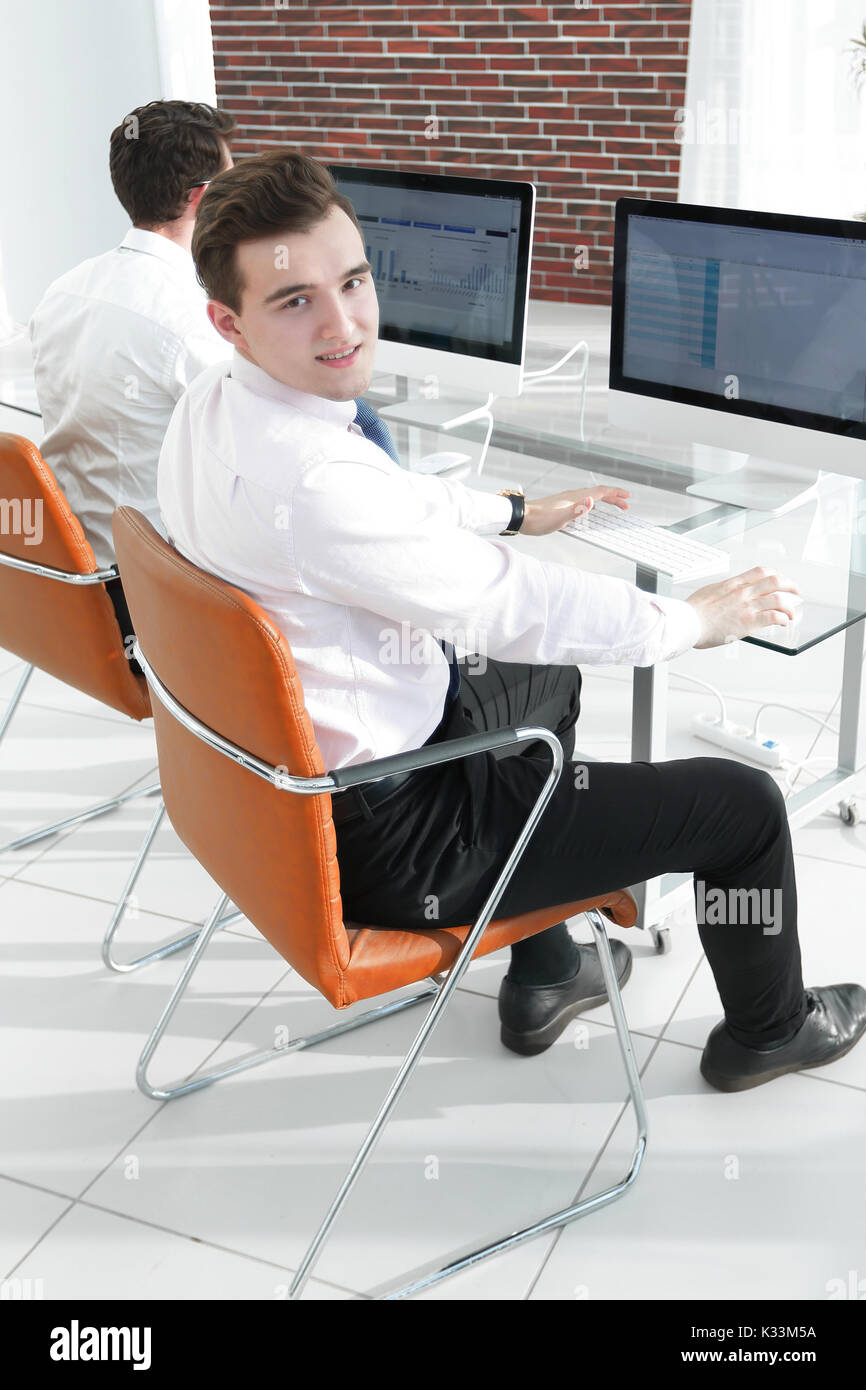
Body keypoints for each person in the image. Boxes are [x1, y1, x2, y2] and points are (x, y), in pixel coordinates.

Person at [157, 150, 866, 1091]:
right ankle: (768, 1033)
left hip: (298, 792)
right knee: (741, 808)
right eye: (296, 302)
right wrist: (688, 621)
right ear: (230, 321)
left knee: (546, 684)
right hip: (402, 839)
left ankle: (549, 962)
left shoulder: (213, 402)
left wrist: (512, 508)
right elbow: (510, 603)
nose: (344, 324)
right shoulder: (317, 481)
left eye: (354, 281)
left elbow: (388, 512)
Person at [28, 99, 236, 641]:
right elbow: (259, 448)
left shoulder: (63, 289)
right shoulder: (191, 317)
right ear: (203, 199)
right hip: (156, 604)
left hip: (72, 586)